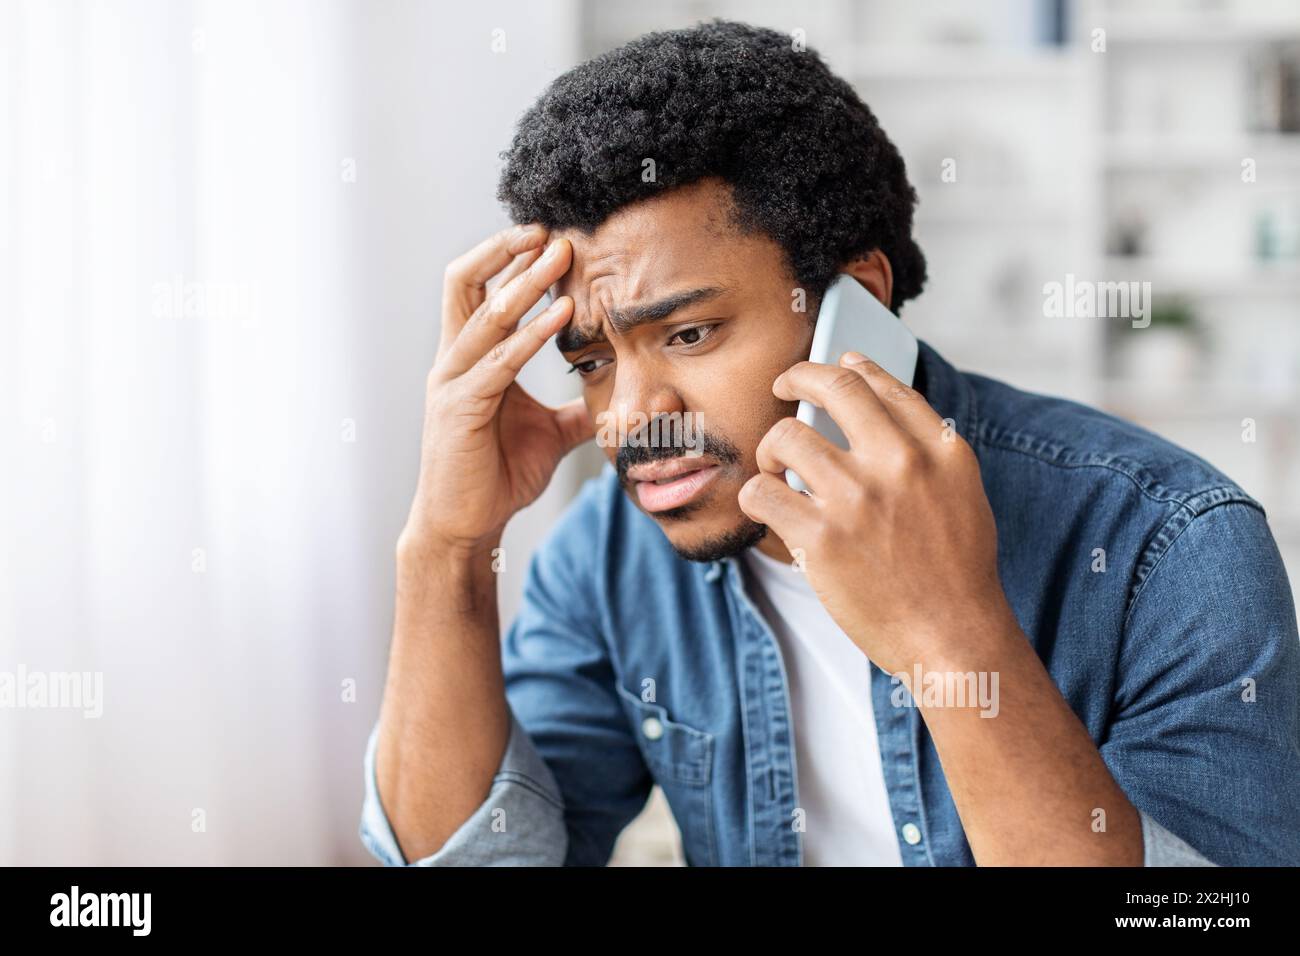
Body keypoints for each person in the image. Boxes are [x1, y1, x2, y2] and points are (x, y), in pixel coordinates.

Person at [359, 21, 1299, 866]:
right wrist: (442, 548)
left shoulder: (1169, 544)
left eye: (688, 335)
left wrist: (947, 628)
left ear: (857, 302)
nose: (629, 418)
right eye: (593, 360)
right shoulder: (605, 559)